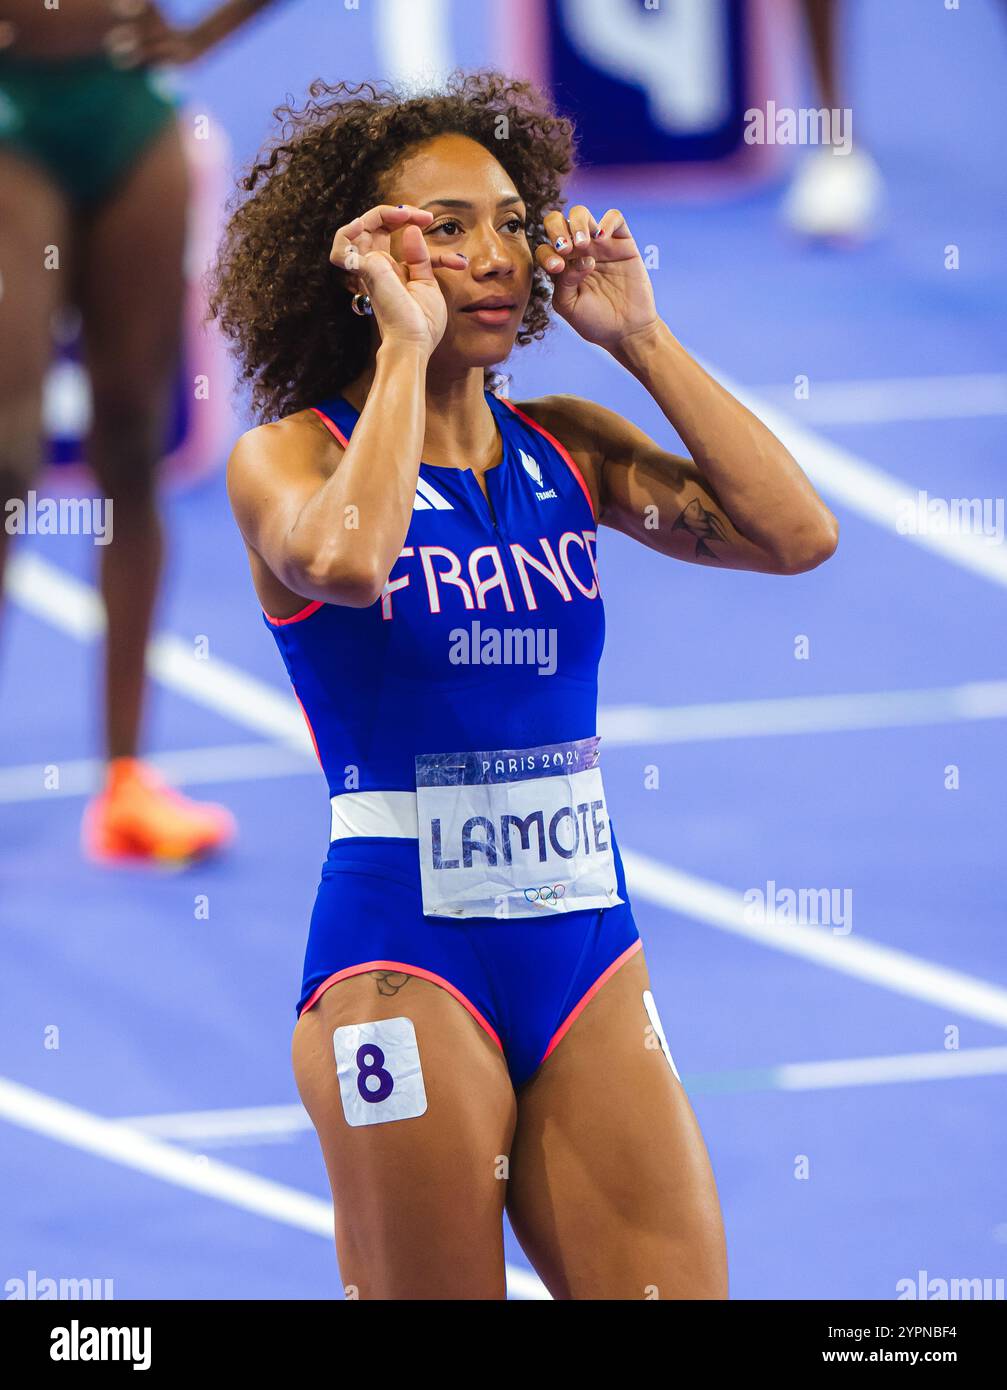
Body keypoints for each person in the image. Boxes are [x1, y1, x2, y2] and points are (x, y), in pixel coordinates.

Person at [212, 71, 839, 1300]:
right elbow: (346, 560)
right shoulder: (285, 458)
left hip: (585, 948)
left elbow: (794, 533)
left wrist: (641, 341)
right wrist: (404, 347)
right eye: (444, 230)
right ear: (363, 261)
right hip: (403, 959)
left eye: (509, 220)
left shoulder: (569, 448)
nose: (495, 256)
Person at [0, 0, 283, 863]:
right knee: (6, 468)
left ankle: (126, 781)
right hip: (13, 115)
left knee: (131, 445)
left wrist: (204, 34)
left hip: (131, 111)